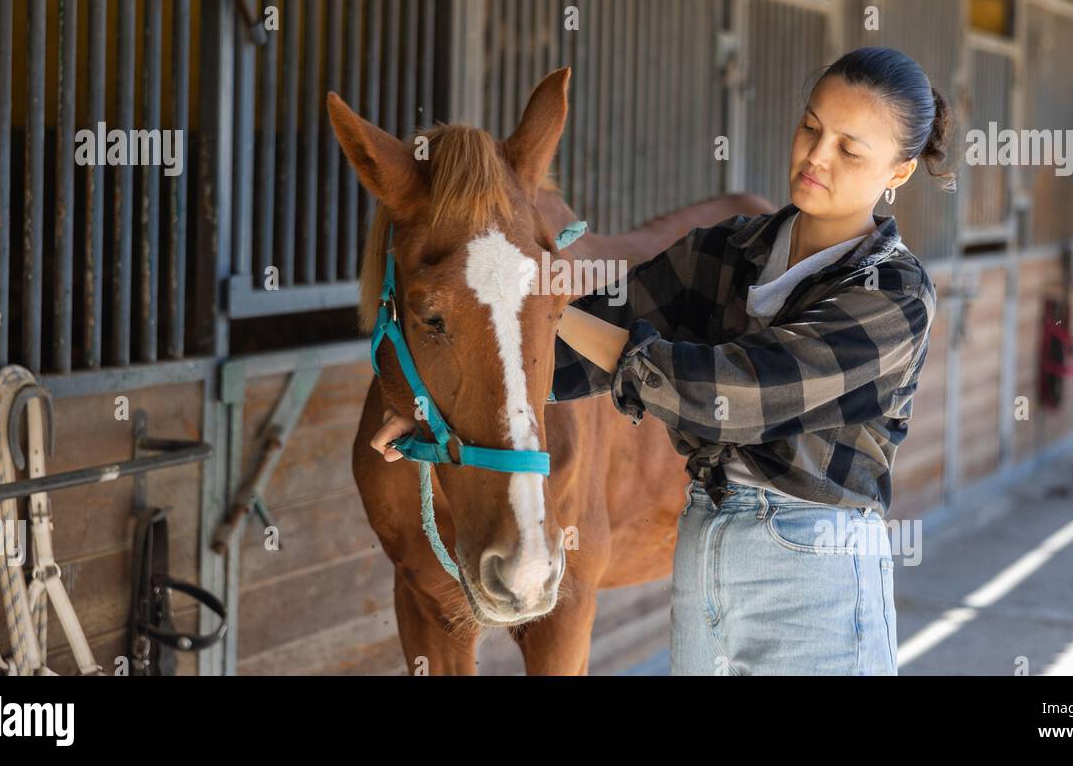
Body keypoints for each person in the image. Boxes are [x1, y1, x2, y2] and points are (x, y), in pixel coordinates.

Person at [372, 46, 944, 675]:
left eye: (850, 149)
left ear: (900, 171)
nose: (815, 156)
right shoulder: (727, 249)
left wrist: (543, 300)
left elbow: (735, 397)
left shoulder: (893, 294)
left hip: (814, 562)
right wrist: (435, 401)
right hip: (704, 547)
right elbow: (563, 359)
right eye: (811, 127)